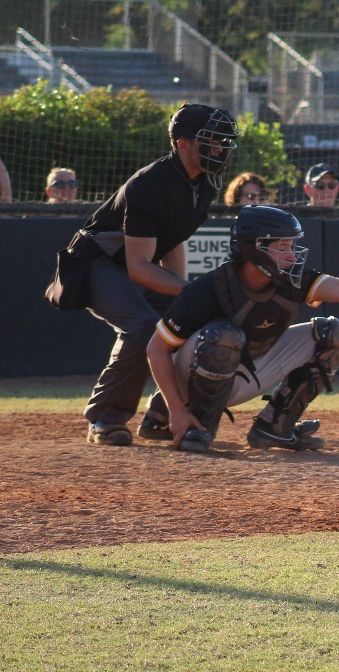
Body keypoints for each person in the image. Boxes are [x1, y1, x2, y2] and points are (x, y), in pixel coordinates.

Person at [141, 206, 339, 453]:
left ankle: (274, 427)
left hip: (243, 373)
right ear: (255, 248)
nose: (292, 255)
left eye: (292, 246)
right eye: (283, 247)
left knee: (331, 334)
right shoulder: (209, 287)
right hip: (190, 381)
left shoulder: (292, 279)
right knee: (224, 336)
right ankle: (193, 426)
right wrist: (176, 408)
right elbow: (156, 349)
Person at [66, 104, 238, 446]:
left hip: (132, 264)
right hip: (97, 263)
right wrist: (188, 292)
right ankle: (105, 417)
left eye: (222, 141)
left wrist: (187, 302)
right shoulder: (150, 184)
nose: (219, 148)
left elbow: (172, 241)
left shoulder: (204, 184)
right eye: (211, 140)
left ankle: (162, 414)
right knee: (143, 326)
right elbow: (139, 267)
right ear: (182, 143)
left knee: (197, 319)